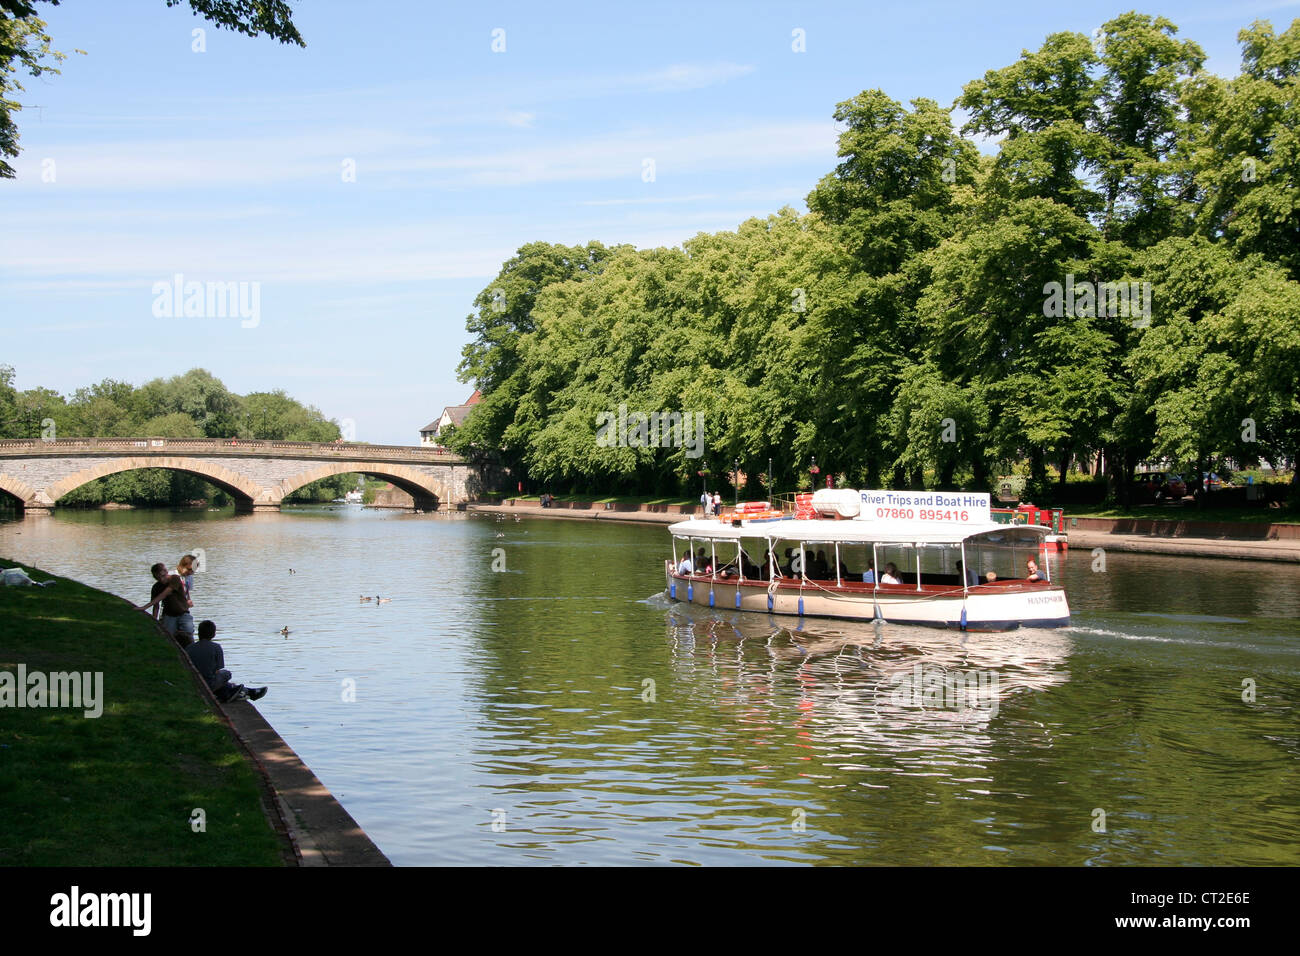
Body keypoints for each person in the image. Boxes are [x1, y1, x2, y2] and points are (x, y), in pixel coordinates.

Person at [187, 620, 266, 702]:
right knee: (226, 673)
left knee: (217, 678)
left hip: (194, 682)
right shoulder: (216, 647)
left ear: (199, 633)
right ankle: (243, 692)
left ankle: (243, 691)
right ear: (214, 634)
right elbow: (217, 670)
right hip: (208, 684)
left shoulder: (189, 648)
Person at [138, 563, 195, 645]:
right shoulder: (156, 587)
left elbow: (165, 593)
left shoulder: (175, 579)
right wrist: (154, 621)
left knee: (188, 634)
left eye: (163, 576)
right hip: (168, 615)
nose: (161, 580)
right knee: (169, 638)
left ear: (166, 572)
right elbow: (156, 606)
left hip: (183, 613)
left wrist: (144, 607)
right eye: (158, 578)